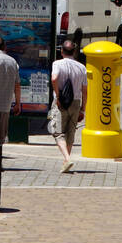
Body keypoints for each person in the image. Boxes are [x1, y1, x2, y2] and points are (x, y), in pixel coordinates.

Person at [48, 39, 87, 174]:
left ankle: (67, 158)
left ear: (62, 51)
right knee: (71, 130)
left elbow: (54, 79)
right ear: (74, 51)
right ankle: (66, 162)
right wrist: (83, 108)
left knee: (57, 131)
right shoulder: (82, 67)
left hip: (61, 102)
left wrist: (58, 96)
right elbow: (85, 89)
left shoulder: (57, 63)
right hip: (76, 101)